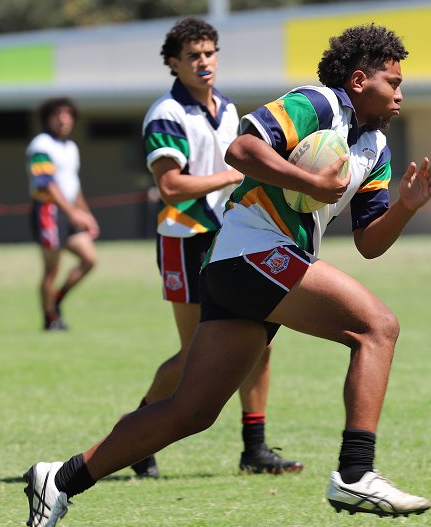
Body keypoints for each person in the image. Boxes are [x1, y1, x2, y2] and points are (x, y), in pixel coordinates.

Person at [23, 23, 431, 526]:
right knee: (378, 327)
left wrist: (407, 206)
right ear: (358, 80)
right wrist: (309, 179)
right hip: (253, 251)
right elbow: (241, 151)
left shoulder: (375, 147)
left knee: (192, 412)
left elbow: (370, 241)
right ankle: (356, 474)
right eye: (392, 82)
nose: (400, 93)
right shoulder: (318, 103)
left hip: (242, 266)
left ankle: (61, 478)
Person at [129, 17, 301, 478]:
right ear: (173, 63)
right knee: (193, 355)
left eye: (209, 52)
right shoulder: (166, 113)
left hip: (232, 237)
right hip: (184, 239)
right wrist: (232, 174)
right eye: (193, 55)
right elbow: (169, 186)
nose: (203, 61)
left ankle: (255, 448)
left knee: (261, 340)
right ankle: (136, 435)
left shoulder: (228, 109)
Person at [26, 97, 99, 331]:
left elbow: (72, 186)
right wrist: (72, 213)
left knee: (89, 260)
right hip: (48, 210)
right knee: (52, 269)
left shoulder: (70, 147)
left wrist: (86, 214)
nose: (63, 118)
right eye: (57, 114)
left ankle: (56, 299)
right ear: (47, 118)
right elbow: (47, 184)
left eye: (67, 114)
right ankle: (50, 318)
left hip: (68, 212)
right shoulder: (41, 145)